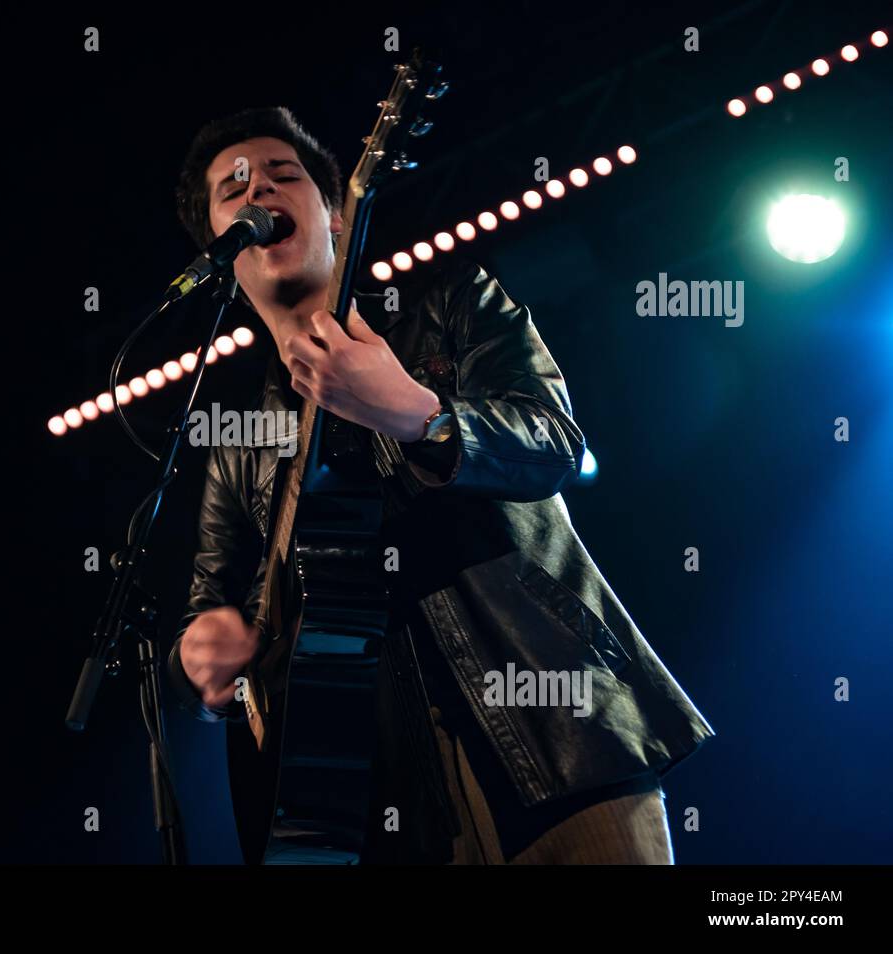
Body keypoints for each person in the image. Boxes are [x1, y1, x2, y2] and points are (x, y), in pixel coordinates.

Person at [164, 106, 713, 864]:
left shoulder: (450, 302)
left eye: (283, 175)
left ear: (333, 211)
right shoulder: (240, 440)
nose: (258, 189)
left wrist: (418, 413)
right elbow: (209, 601)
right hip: (378, 798)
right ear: (219, 249)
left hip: (555, 736)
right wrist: (199, 648)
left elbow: (553, 442)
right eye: (233, 188)